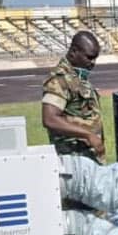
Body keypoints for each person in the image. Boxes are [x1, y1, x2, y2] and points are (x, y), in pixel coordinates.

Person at [41, 31, 106, 164]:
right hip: (74, 159)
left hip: (88, 158)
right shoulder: (60, 80)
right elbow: (50, 119)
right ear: (74, 52)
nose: (93, 63)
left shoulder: (77, 76)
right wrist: (88, 135)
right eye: (89, 57)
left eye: (95, 58)